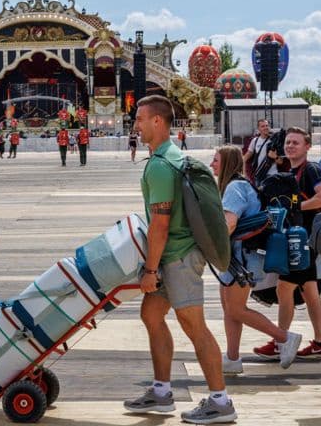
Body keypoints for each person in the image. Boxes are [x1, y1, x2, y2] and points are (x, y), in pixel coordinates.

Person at [124, 95, 236, 424]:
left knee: (194, 327)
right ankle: (160, 393)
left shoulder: (160, 166)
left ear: (158, 121)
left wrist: (150, 269)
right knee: (151, 315)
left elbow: (160, 224)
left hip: (178, 258)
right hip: (171, 256)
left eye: (141, 119)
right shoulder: (171, 157)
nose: (137, 125)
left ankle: (221, 401)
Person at [210, 145, 302, 375]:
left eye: (215, 160)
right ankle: (232, 358)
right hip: (238, 256)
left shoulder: (235, 187)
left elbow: (229, 224)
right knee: (230, 308)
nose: (211, 164)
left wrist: (209, 244)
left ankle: (285, 338)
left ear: (227, 164)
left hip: (243, 257)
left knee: (236, 308)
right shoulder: (238, 185)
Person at [253, 127, 321, 363]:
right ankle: (320, 343)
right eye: (288, 143)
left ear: (307, 146)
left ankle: (281, 341)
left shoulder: (311, 170)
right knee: (310, 292)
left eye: (296, 143)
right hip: (302, 239)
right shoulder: (292, 170)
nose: (290, 146)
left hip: (303, 240)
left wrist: (296, 208)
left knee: (284, 289)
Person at [242, 119, 277, 185]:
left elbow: (280, 161)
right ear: (258, 128)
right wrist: (245, 175)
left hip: (272, 175)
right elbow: (244, 159)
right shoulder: (255, 141)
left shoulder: (274, 140)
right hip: (260, 176)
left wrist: (275, 157)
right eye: (263, 126)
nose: (266, 128)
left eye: (267, 125)